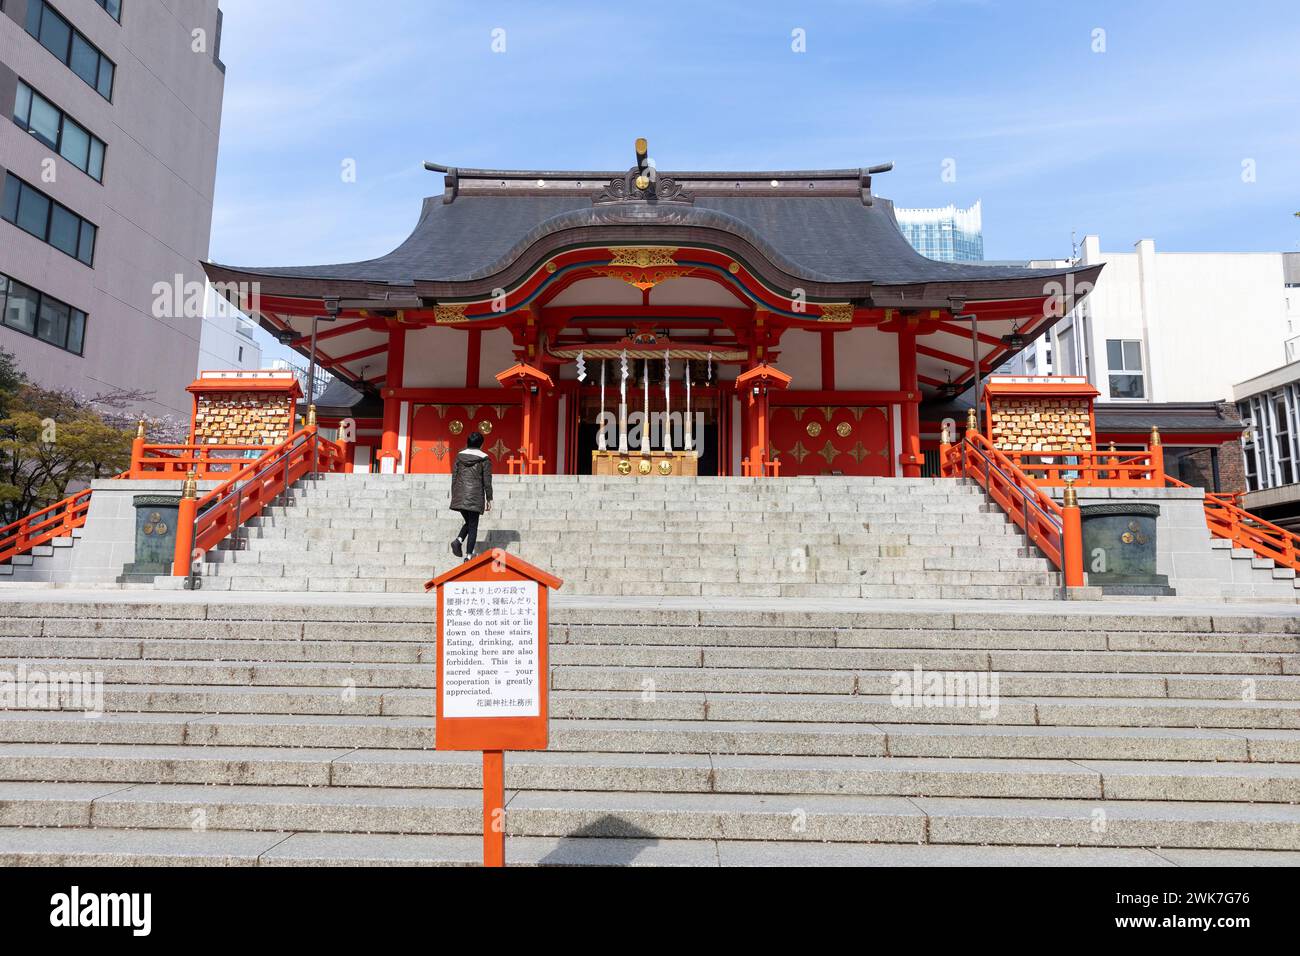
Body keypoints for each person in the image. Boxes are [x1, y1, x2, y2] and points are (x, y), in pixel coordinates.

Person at [449, 431, 493, 560]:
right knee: (473, 526)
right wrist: (489, 498)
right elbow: (487, 480)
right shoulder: (484, 458)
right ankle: (468, 556)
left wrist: (455, 495)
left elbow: (455, 477)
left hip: (460, 494)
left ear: (467, 442)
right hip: (475, 495)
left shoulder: (459, 456)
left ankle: (458, 541)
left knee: (469, 523)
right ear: (481, 444)